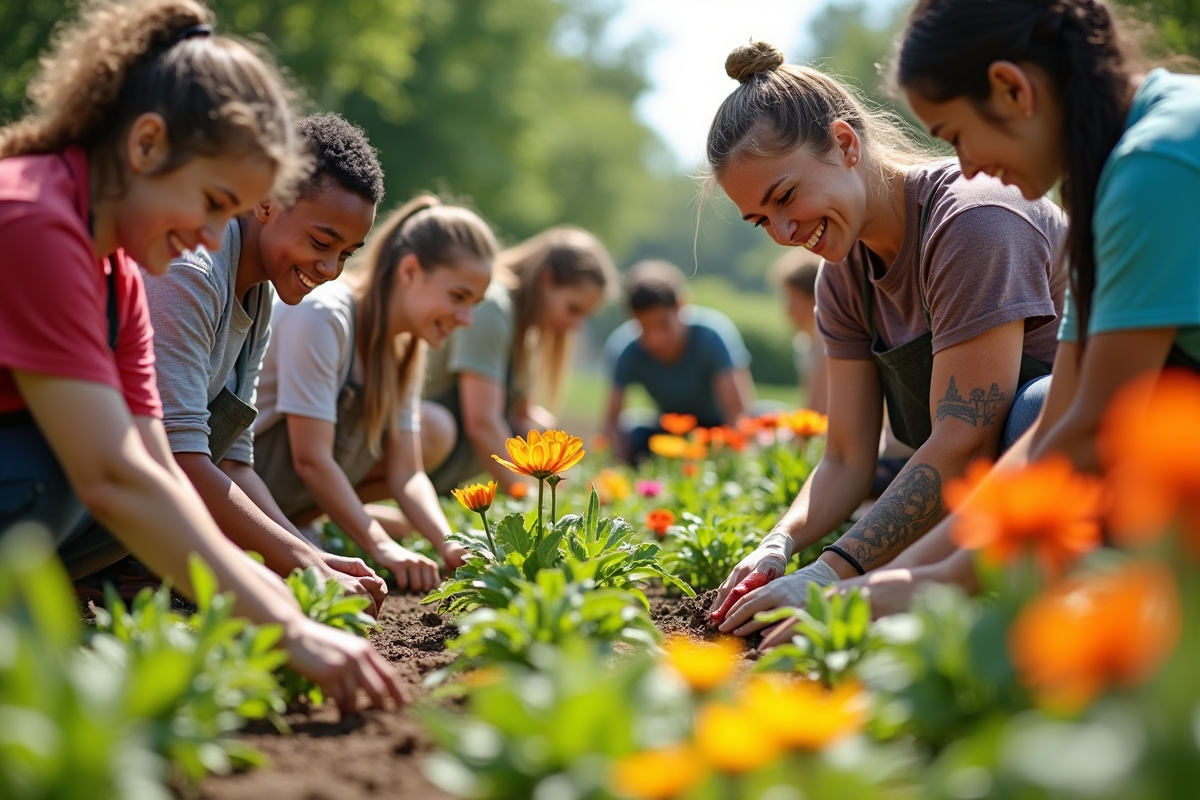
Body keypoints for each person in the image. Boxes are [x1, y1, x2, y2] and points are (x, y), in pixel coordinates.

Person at [0, 0, 403, 711]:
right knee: (55, 463)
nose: (212, 235)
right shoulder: (35, 221)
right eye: (214, 202)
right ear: (147, 145)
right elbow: (114, 477)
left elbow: (158, 466)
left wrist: (289, 582)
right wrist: (285, 620)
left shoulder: (120, 271)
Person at [768, 0, 1200, 628]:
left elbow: (1096, 423)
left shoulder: (1152, 166)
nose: (966, 165)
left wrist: (935, 580)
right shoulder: (1105, 178)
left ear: (1011, 87)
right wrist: (903, 577)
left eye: (955, 135)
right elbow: (1063, 419)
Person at [704, 42, 1070, 637]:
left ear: (846, 144)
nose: (784, 232)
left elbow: (964, 438)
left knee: (1037, 406)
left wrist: (828, 575)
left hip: (1112, 458)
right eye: (761, 220)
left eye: (786, 197)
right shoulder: (843, 271)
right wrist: (781, 543)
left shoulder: (973, 220)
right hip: (992, 497)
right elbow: (847, 456)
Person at [143, 111, 389, 611]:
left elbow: (234, 460)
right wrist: (305, 564)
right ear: (266, 202)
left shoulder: (262, 296)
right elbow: (181, 459)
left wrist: (308, 555)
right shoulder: (191, 271)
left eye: (346, 253)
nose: (330, 269)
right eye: (322, 243)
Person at [253, 196, 497, 591]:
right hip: (246, 483)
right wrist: (381, 547)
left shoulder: (404, 348)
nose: (466, 319)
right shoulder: (325, 315)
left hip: (286, 489)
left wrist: (450, 544)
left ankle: (307, 525)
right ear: (410, 271)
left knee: (435, 431)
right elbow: (310, 460)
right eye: (457, 297)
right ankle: (290, 532)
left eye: (474, 305)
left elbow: (408, 471)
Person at [423, 227, 618, 496]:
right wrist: (526, 499)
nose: (575, 326)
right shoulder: (491, 308)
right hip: (419, 443)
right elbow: (483, 424)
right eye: (573, 309)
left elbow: (523, 418)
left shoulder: (525, 328)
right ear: (547, 280)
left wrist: (566, 477)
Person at [603, 259, 755, 462]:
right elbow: (612, 422)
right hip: (669, 434)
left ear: (681, 306)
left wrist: (724, 459)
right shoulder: (626, 349)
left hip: (716, 431)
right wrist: (618, 462)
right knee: (632, 430)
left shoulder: (712, 336)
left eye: (663, 325)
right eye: (644, 328)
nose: (656, 339)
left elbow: (737, 412)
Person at [769, 249, 827, 414]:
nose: (787, 309)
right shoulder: (805, 342)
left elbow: (819, 410)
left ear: (814, 299)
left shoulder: (827, 341)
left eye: (792, 299)